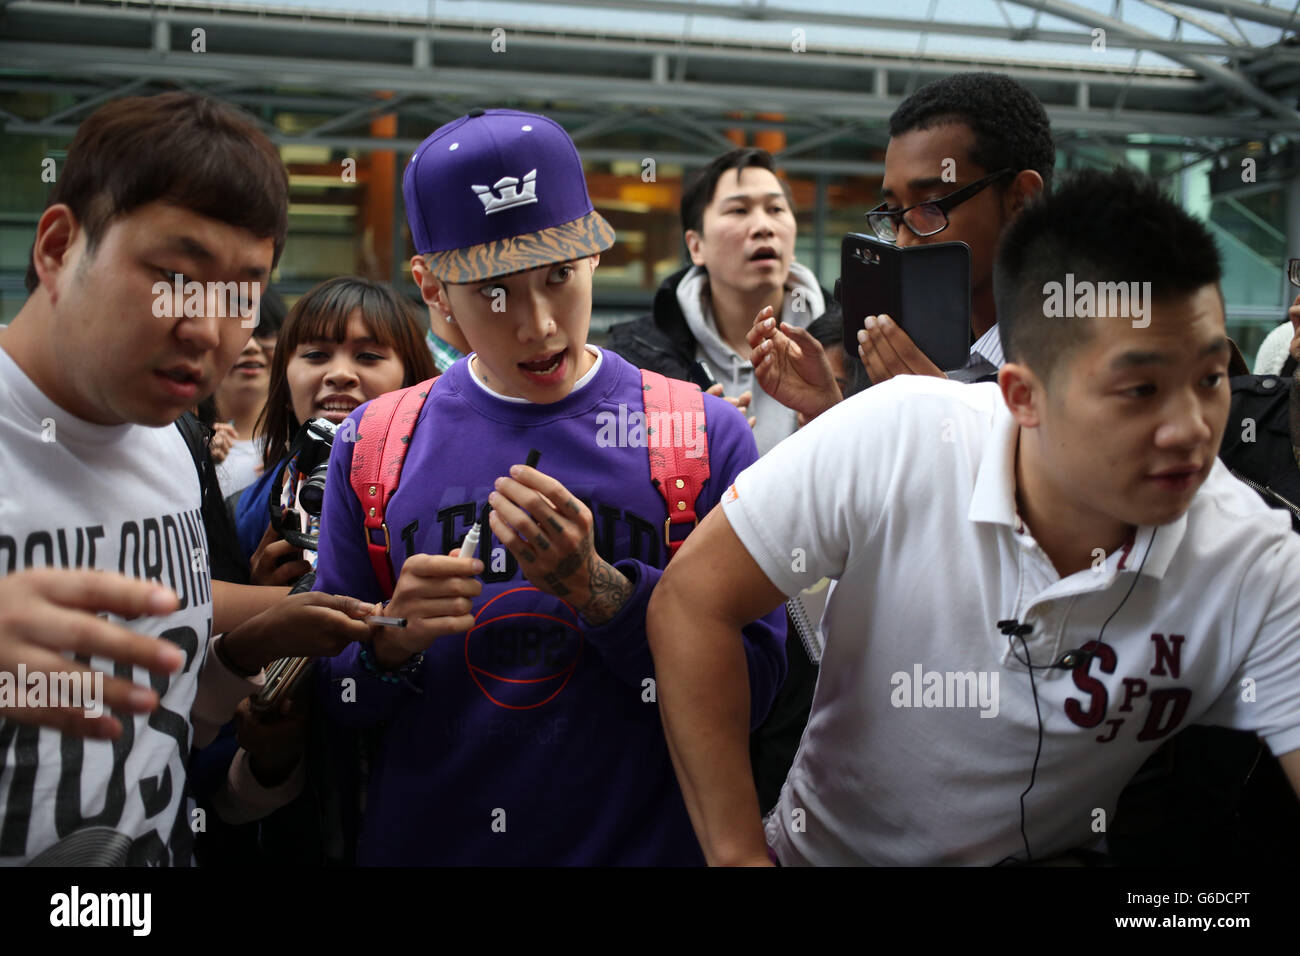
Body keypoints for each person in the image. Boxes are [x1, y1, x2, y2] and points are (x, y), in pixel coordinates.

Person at [646, 167, 1300, 866]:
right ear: (1023, 396)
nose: (1190, 429)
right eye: (1139, 389)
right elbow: (691, 600)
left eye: (1207, 380)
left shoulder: (1251, 556)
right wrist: (738, 855)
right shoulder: (897, 434)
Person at [312, 107, 786, 865]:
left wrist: (604, 593)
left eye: (558, 277)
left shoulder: (700, 438)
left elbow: (758, 695)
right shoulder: (372, 448)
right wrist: (390, 642)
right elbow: (332, 705)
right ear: (433, 290)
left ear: (594, 258)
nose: (537, 324)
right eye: (494, 291)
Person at [0, 92, 376, 865]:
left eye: (243, 291)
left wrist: (251, 649)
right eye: (173, 274)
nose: (207, 327)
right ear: (58, 248)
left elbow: (164, 687)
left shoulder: (172, 442)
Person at [750, 72, 1053, 423]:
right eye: (893, 214)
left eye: (931, 206)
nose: (906, 240)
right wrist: (832, 414)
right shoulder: (917, 355)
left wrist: (938, 413)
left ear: (1022, 199)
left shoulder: (1085, 353)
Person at [608, 147, 829, 454]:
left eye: (776, 209)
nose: (764, 227)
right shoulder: (634, 362)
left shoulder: (851, 344)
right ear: (696, 246)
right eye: (738, 210)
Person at [233, 276, 435, 583]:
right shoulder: (243, 510)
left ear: (412, 382)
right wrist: (256, 595)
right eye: (316, 355)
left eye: (368, 356)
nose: (340, 374)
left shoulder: (444, 494)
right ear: (284, 386)